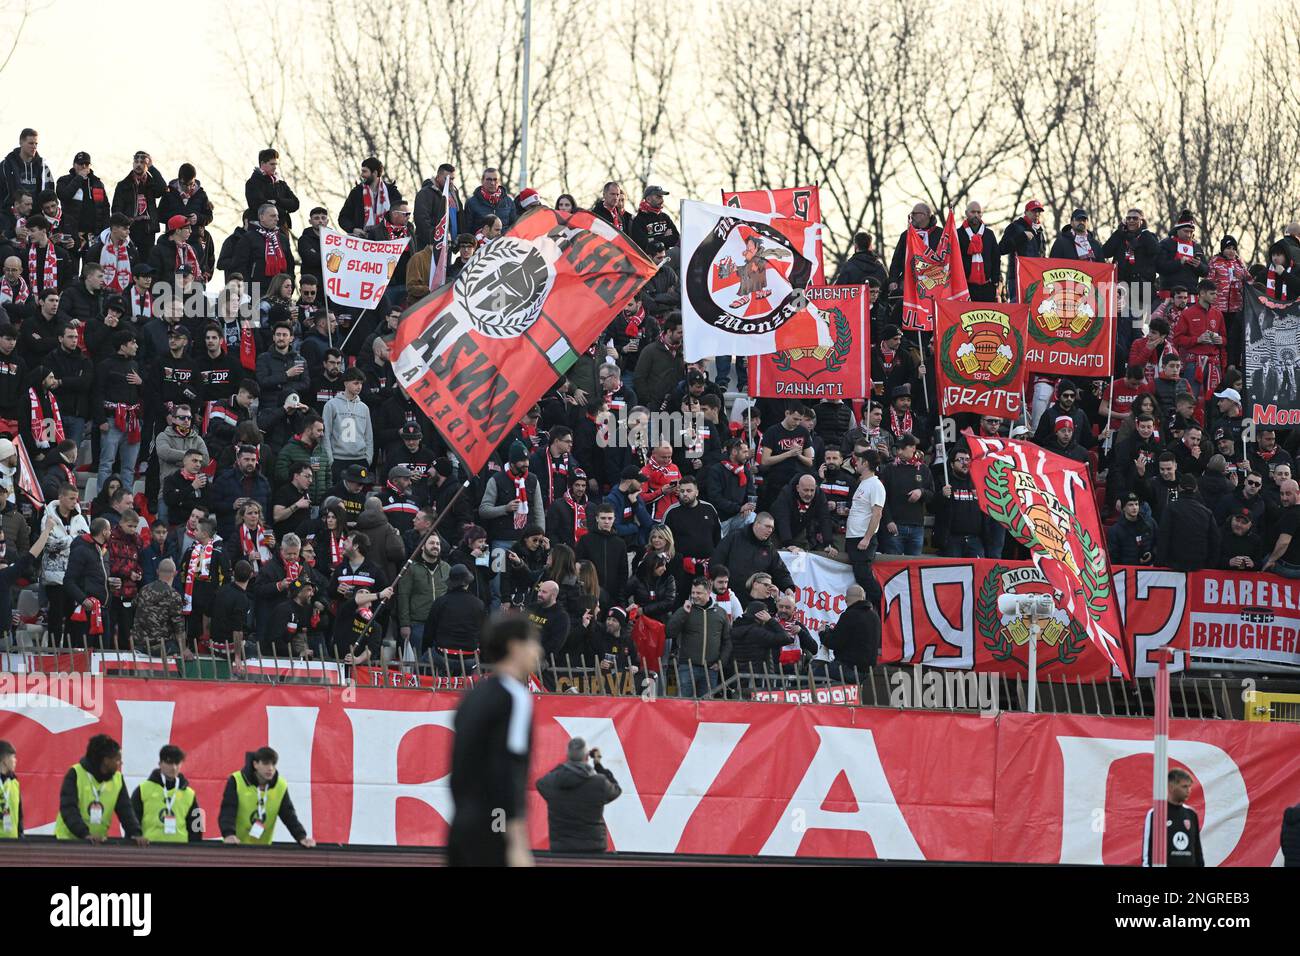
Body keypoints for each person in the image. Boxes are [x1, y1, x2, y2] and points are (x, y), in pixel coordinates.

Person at [448, 615, 542, 867]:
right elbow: (508, 770)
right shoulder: (515, 695)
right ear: (515, 646)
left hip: (462, 823)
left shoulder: (472, 695)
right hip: (494, 826)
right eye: (533, 643)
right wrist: (515, 839)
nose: (538, 651)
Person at [536, 737, 622, 854]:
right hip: (594, 849)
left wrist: (561, 768)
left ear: (568, 756)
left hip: (561, 849)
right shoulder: (599, 783)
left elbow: (540, 783)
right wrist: (598, 765)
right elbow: (616, 789)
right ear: (586, 757)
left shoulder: (553, 781)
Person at [54, 734, 145, 844]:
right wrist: (85, 834)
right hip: (69, 842)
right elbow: (68, 809)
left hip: (97, 843)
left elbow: (126, 811)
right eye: (117, 760)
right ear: (106, 761)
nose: (121, 763)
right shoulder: (75, 774)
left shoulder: (118, 779)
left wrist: (135, 833)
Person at [219, 746, 314, 846]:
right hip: (235, 845)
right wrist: (228, 834)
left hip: (264, 848)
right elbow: (228, 810)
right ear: (255, 764)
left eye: (273, 764)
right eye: (266, 763)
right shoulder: (236, 781)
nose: (270, 768)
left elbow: (289, 815)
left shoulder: (280, 785)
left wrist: (301, 837)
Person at [667, 577, 731, 696]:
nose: (695, 596)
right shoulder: (686, 610)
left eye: (699, 593)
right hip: (687, 667)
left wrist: (721, 661)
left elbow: (727, 640)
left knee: (707, 704)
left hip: (710, 669)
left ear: (708, 592)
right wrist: (683, 612)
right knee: (683, 703)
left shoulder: (720, 613)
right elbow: (670, 632)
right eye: (693, 593)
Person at [131, 744, 202, 844]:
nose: (173, 767)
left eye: (177, 763)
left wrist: (194, 849)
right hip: (149, 848)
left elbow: (196, 827)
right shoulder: (143, 790)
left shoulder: (189, 794)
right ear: (160, 763)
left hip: (181, 849)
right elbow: (132, 821)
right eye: (169, 762)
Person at [425, 564, 485, 676]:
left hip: (443, 656)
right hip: (470, 657)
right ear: (467, 583)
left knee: (423, 660)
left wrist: (426, 649)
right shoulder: (478, 604)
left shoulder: (440, 602)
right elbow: (483, 632)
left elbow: (429, 631)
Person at [1155, 474, 1220, 572]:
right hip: (1199, 566)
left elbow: (1163, 536)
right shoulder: (1206, 512)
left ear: (1179, 488)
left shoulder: (1171, 508)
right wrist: (1210, 566)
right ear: (1196, 489)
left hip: (1174, 565)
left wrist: (1158, 564)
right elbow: (1215, 541)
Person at [1142, 768, 1204, 867]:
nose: (1188, 790)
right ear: (1171, 787)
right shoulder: (1156, 813)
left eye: (1190, 787)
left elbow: (1197, 849)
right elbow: (1147, 852)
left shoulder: (1191, 814)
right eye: (1184, 786)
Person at [999, 199, 1047, 300]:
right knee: (1018, 306)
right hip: (1017, 278)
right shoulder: (1015, 226)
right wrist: (1021, 237)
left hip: (1036, 279)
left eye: (1039, 211)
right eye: (1033, 211)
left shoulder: (1040, 231)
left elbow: (1042, 256)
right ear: (1026, 212)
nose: (1037, 214)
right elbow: (1002, 248)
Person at [461, 168, 516, 235]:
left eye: (495, 180)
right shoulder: (471, 203)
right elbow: (467, 230)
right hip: (480, 241)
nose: (492, 183)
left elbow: (514, 226)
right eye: (489, 180)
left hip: (503, 240)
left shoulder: (509, 202)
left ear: (499, 181)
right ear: (482, 181)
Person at [0, 739, 19, 839]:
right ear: (4, 760)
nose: (15, 760)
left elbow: (20, 814)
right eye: (13, 757)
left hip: (12, 841)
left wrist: (21, 835)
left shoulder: (14, 782)